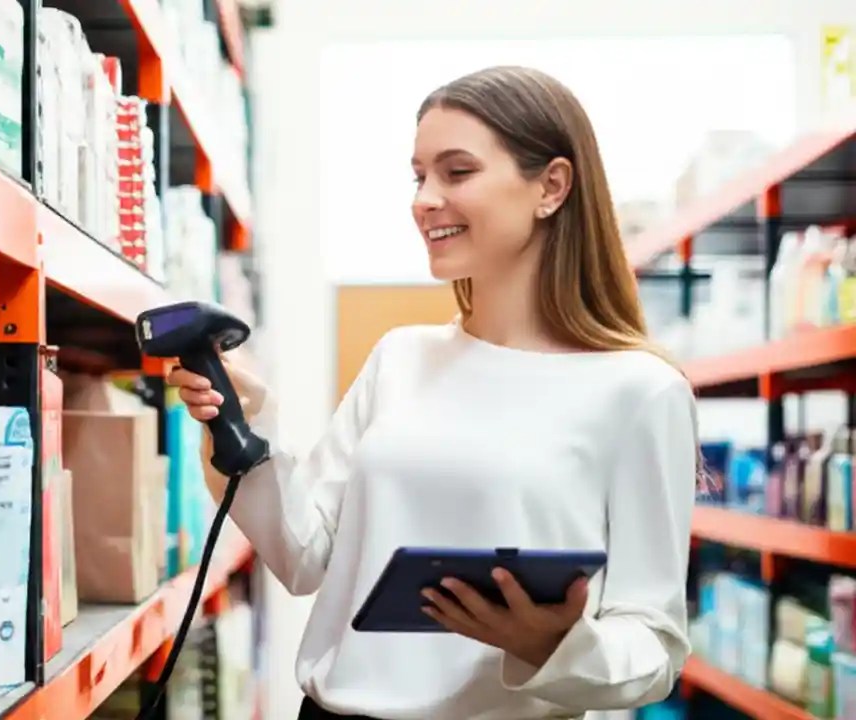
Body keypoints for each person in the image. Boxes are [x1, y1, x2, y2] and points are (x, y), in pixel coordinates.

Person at [167, 65, 702, 720]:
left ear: (551, 187)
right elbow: (304, 559)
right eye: (418, 176)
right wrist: (247, 433)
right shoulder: (402, 357)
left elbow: (656, 645)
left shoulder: (640, 391)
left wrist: (558, 645)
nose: (424, 199)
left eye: (457, 172)